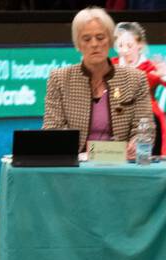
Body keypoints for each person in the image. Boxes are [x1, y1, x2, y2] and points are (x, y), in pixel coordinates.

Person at [42, 6, 154, 159]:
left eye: (100, 37)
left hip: (123, 168)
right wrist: (99, 154)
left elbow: (145, 129)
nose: (94, 44)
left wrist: (137, 145)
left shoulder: (136, 79)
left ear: (110, 41)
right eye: (87, 39)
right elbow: (52, 131)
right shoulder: (59, 79)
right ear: (78, 45)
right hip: (76, 168)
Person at [112, 22, 166, 157]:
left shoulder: (152, 67)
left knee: (145, 160)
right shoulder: (110, 65)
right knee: (113, 160)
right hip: (116, 118)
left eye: (129, 46)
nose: (124, 50)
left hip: (147, 119)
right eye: (120, 46)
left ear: (140, 45)